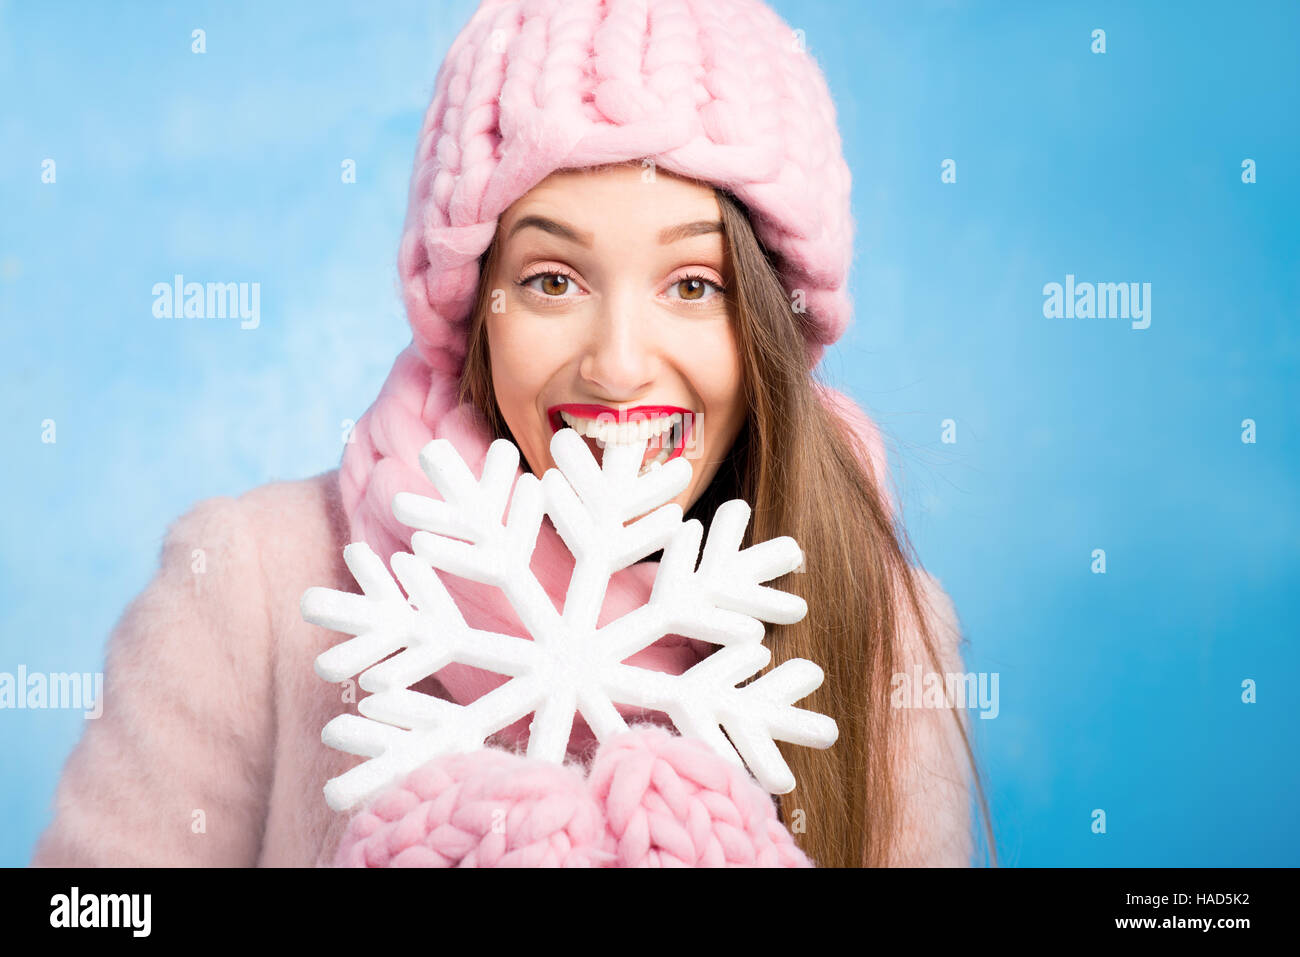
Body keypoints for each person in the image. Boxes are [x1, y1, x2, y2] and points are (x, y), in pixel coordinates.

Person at [32, 0, 992, 868]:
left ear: (774, 326)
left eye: (694, 285)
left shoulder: (882, 628)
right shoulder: (250, 587)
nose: (618, 364)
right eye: (551, 280)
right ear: (474, 308)